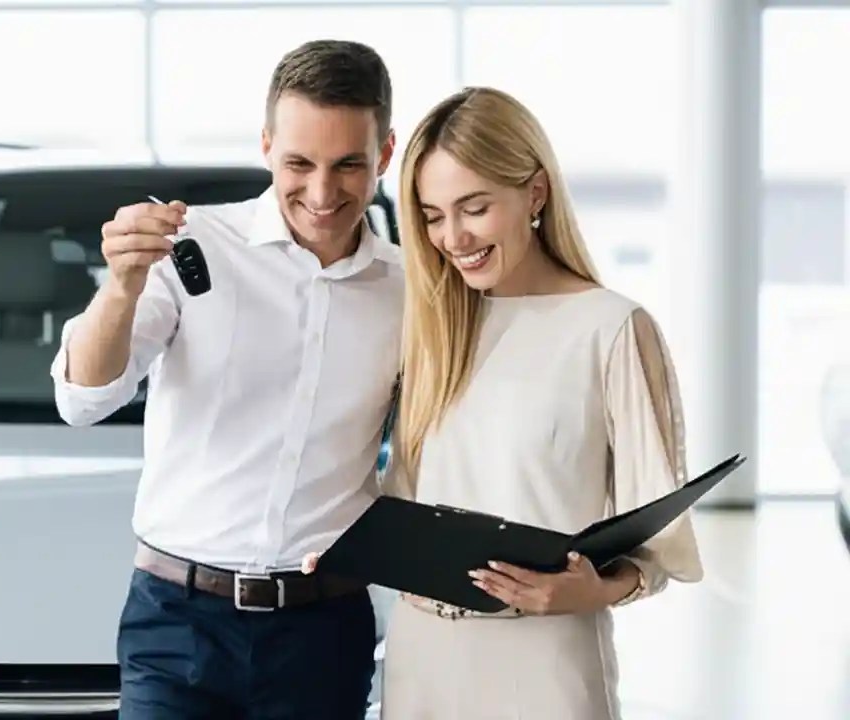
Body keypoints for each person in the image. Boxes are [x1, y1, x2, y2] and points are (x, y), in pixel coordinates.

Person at [309, 86, 705, 719]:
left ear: (536, 194)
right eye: (433, 215)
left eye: (474, 207)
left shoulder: (611, 329)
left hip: (546, 663)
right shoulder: (429, 325)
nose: (453, 237)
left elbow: (659, 544)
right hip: (423, 663)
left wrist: (595, 590)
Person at [49, 39, 403, 718]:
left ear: (384, 155)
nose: (323, 193)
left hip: (325, 630)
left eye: (349, 165)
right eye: (299, 163)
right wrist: (121, 284)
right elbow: (84, 399)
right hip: (179, 621)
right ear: (267, 145)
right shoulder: (190, 248)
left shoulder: (409, 290)